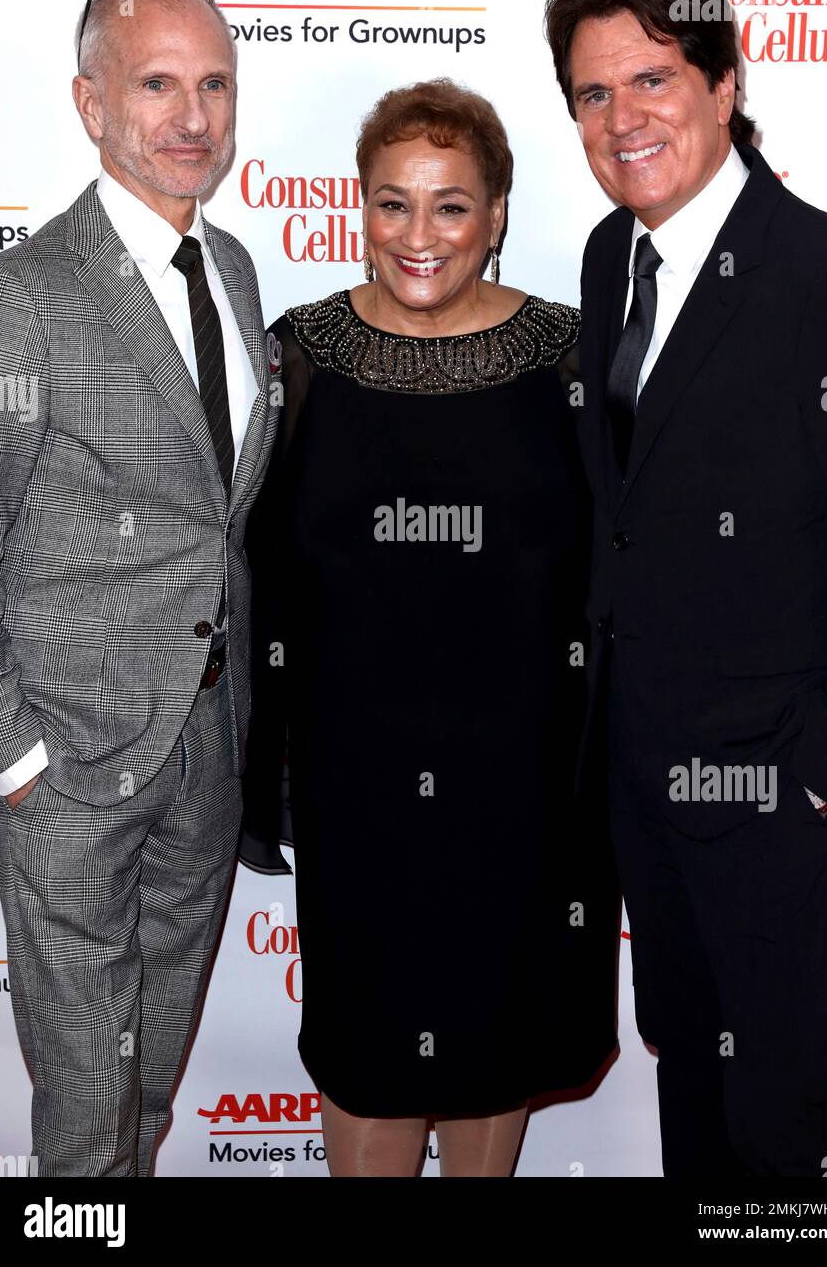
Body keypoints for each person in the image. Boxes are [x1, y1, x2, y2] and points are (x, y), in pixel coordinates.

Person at [239, 78, 620, 1177]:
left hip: (527, 800)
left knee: (496, 1050)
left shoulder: (570, 359)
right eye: (392, 202)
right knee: (369, 1059)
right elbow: (250, 564)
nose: (419, 235)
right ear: (358, 206)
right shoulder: (299, 356)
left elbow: (624, 572)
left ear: (496, 214)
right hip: (359, 801)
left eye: (451, 205)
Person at [545, 0, 827, 1177]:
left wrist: (824, 785)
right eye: (593, 93)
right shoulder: (609, 258)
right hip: (643, 787)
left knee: (780, 1122)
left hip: (778, 801)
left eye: (653, 79)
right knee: (691, 1083)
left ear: (724, 84)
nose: (623, 119)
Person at [0, 0, 278, 1176]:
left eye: (215, 85)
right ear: (91, 104)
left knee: (144, 1095)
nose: (193, 117)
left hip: (206, 757)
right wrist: (17, 762)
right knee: (87, 1111)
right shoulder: (20, 300)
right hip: (67, 771)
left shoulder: (235, 270)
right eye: (157, 84)